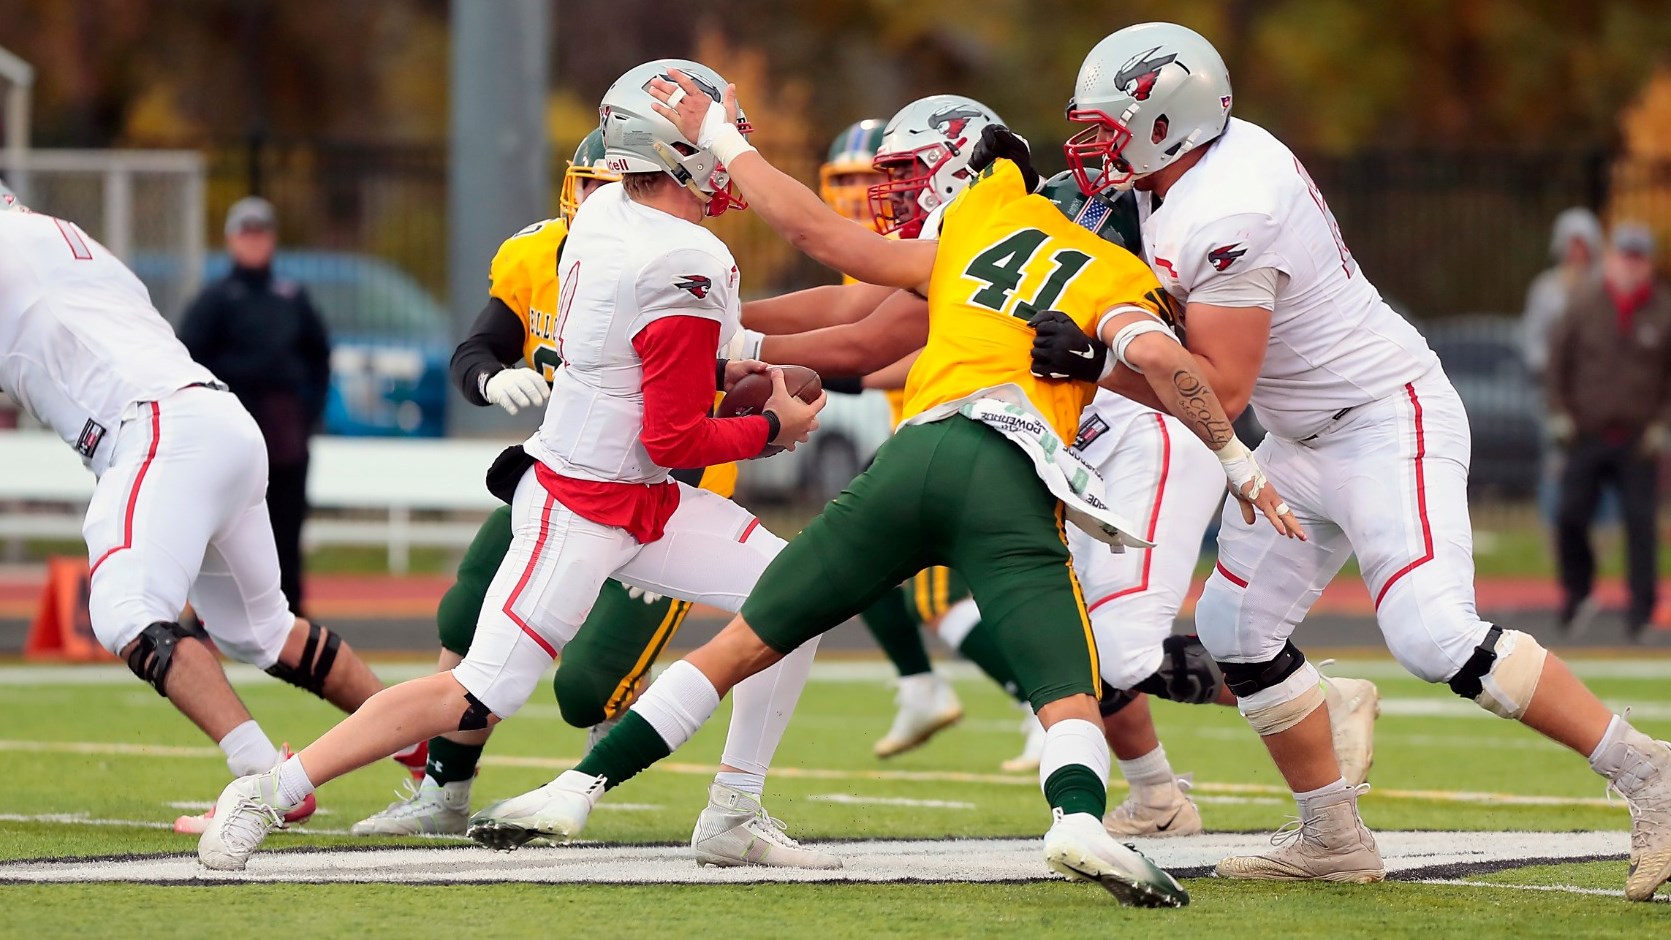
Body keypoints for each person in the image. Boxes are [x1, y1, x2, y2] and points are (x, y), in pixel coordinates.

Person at [471, 69, 1306, 908]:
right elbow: (1162, 361)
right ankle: (1080, 821)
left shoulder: (978, 224)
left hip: (917, 457)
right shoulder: (1108, 271)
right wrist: (1243, 466)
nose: (891, 191)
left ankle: (573, 790)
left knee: (744, 640)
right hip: (1013, 480)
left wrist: (723, 175)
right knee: (1066, 689)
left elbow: (836, 271)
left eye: (907, 173)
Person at [1033, 22, 1671, 901]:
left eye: (1108, 128)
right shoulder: (1191, 173)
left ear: (1167, 121)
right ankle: (1331, 834)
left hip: (1382, 418)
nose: (1094, 149)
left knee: (1431, 634)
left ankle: (1652, 778)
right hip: (1304, 438)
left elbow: (1215, 389)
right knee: (1232, 634)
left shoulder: (1227, 209)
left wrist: (1095, 361)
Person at [198, 59, 827, 874]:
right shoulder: (686, 256)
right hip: (582, 504)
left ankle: (734, 811)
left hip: (636, 494)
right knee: (477, 690)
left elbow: (652, 393)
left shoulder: (604, 212)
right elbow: (676, 439)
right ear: (670, 150)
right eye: (712, 134)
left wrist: (742, 380)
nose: (728, 147)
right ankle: (269, 790)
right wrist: (768, 428)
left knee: (792, 596)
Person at [745, 145, 1378, 834]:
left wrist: (732, 338)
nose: (896, 190)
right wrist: (745, 331)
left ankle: (1310, 697)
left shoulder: (1005, 220)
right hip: (1071, 447)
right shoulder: (1001, 219)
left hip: (1137, 428)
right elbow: (870, 319)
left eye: (909, 171)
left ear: (962, 164)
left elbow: (864, 332)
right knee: (1071, 638)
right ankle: (1158, 799)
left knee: (1119, 650)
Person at [352, 130, 749, 837]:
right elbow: (477, 347)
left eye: (619, 183)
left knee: (588, 686)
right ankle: (443, 789)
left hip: (669, 485)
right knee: (464, 618)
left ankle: (604, 773)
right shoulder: (539, 254)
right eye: (592, 184)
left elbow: (686, 414)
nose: (603, 199)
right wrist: (488, 377)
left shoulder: (681, 262)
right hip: (564, 476)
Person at [0, 180, 418, 835]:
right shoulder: (59, 241)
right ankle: (425, 753)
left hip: (156, 430)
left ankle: (259, 779)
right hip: (219, 420)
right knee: (265, 631)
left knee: (126, 611)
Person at [178, 196, 330, 616]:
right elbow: (187, 356)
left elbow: (319, 354)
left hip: (283, 429)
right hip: (232, 425)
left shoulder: (291, 296)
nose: (254, 243)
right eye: (246, 234)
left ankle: (291, 612)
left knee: (286, 519)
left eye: (261, 234)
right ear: (230, 240)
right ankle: (207, 615)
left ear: (273, 240)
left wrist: (308, 411)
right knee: (219, 523)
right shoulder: (216, 299)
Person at [1546, 222, 1671, 641]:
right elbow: (1557, 360)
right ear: (1612, 258)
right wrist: (1559, 412)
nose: (1630, 266)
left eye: (1638, 258)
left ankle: (1640, 612)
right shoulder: (1584, 304)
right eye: (1624, 256)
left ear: (1647, 264)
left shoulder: (1663, 310)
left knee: (1640, 525)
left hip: (1639, 439)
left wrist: (1662, 424)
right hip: (1588, 433)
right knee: (1570, 515)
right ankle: (1578, 594)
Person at [1522, 208, 1604, 381]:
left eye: (1582, 245)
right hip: (1557, 382)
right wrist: (1550, 367)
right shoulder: (1545, 288)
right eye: (1573, 245)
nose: (1577, 252)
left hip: (1598, 382)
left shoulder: (1605, 286)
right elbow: (1532, 337)